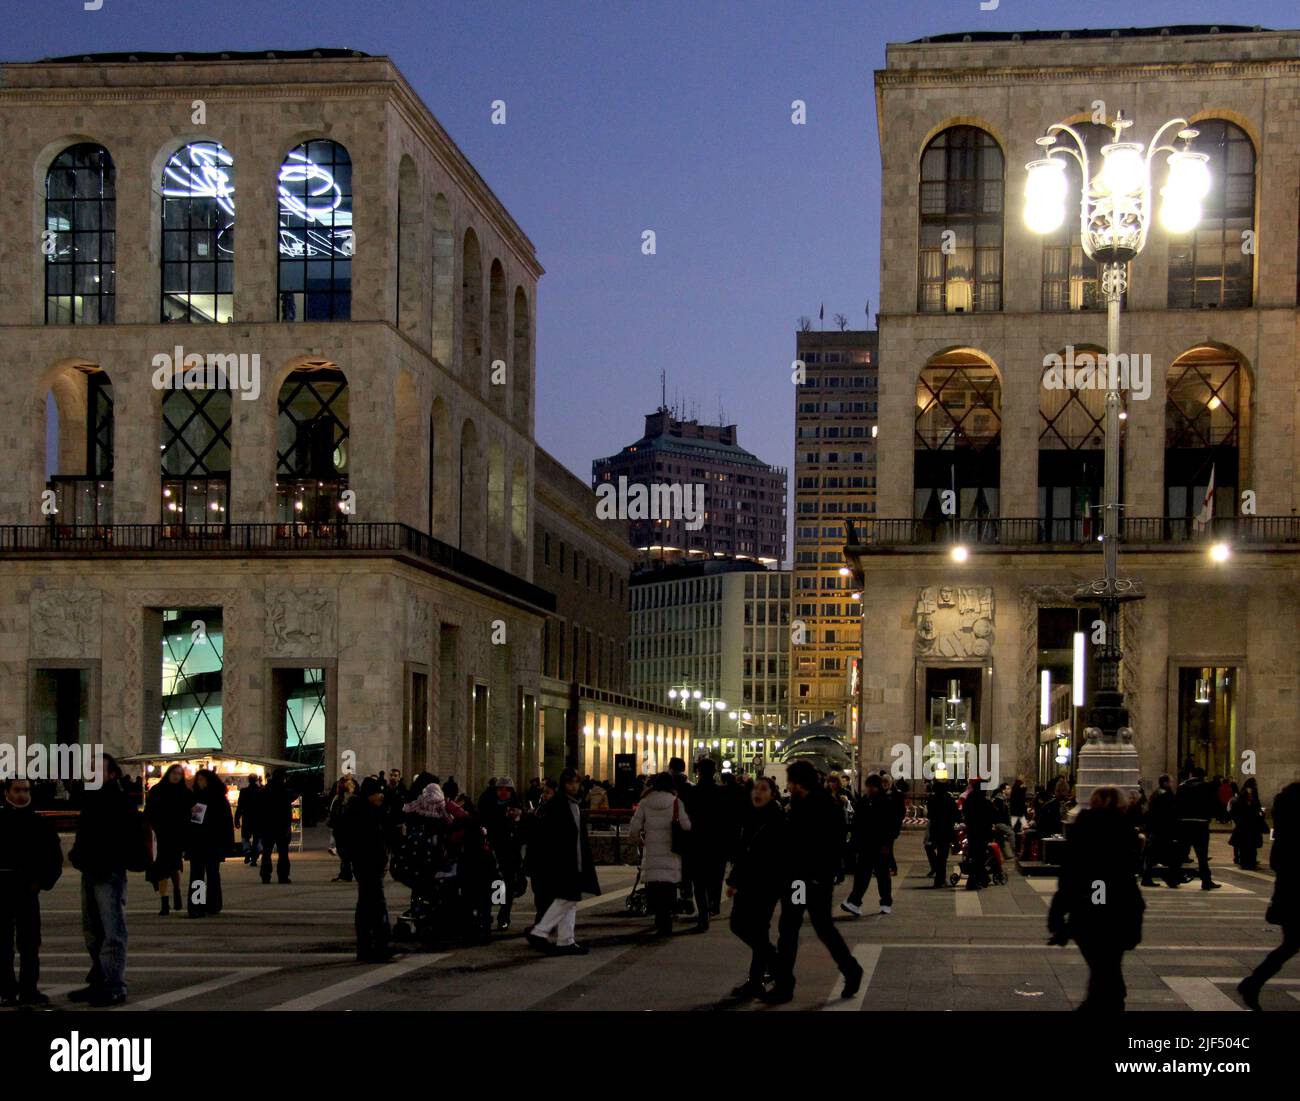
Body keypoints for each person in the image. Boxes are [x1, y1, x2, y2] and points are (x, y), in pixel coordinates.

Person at [765, 761, 864, 1004]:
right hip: (799, 878)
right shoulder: (802, 803)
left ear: (799, 783)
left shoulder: (822, 805)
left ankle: (850, 969)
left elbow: (834, 842)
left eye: (790, 781)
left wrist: (823, 872)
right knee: (791, 928)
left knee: (817, 927)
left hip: (811, 879)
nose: (788, 786)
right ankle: (786, 984)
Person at [1048, 785, 1145, 1011]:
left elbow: (1070, 874)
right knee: (1108, 978)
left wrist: (1058, 914)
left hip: (1088, 913)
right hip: (1117, 912)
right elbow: (1130, 872)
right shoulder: (1125, 830)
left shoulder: (1083, 828)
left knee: (1104, 976)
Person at [67, 754, 138, 1007]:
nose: (91, 772)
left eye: (97, 768)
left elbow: (125, 836)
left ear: (111, 774)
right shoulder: (91, 798)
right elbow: (85, 833)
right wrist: (77, 855)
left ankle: (115, 984)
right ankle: (99, 978)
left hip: (109, 872)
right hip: (90, 870)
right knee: (92, 932)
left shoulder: (117, 800)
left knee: (112, 931)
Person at [0, 778, 63, 1007]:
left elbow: (53, 858)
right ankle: (6, 990)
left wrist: (41, 882)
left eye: (25, 790)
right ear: (7, 792)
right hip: (3, 889)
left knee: (29, 943)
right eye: (17, 790)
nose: (22, 795)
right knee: (3, 944)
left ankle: (28, 989)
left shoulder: (39, 823)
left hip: (27, 890)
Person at [1238, 783, 1300, 1010]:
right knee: (1290, 945)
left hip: (1287, 895)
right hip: (1294, 897)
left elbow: (1277, 864)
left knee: (1290, 945)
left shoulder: (1284, 833)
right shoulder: (1294, 835)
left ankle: (1253, 983)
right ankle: (1252, 983)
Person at [726, 776, 788, 999]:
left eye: (763, 789)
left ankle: (775, 966)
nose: (757, 793)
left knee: (745, 927)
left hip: (765, 885)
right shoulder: (753, 815)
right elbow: (744, 852)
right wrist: (734, 880)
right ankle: (757, 980)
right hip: (750, 883)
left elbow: (772, 855)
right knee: (752, 930)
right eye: (755, 789)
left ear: (772, 793)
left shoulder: (776, 818)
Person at [526, 769, 600, 955]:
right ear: (563, 784)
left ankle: (565, 939)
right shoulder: (559, 805)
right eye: (570, 782)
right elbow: (551, 836)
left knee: (569, 899)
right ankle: (541, 931)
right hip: (563, 861)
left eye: (576, 782)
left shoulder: (570, 804)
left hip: (570, 860)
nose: (574, 786)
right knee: (567, 898)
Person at [629, 772, 692, 935]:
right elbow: (686, 826)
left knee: (655, 886)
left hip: (652, 851)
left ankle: (658, 917)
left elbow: (634, 828)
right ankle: (667, 921)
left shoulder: (645, 802)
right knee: (669, 887)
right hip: (671, 851)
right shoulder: (676, 803)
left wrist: (640, 841)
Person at [346, 777, 393, 962]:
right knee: (375, 905)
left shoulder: (369, 811)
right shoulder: (365, 814)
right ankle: (378, 947)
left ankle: (367, 947)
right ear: (368, 795)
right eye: (377, 793)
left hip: (367, 865)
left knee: (367, 905)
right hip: (368, 865)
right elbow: (368, 842)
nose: (380, 796)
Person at [683, 758, 728, 930]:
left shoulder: (691, 793)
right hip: (717, 842)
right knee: (715, 878)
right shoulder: (722, 793)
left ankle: (703, 914)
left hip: (697, 841)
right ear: (715, 772)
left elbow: (686, 817)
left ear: (698, 772)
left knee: (699, 881)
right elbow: (727, 820)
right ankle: (712, 906)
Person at [841, 773, 893, 916]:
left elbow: (890, 825)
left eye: (869, 787)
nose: (867, 790)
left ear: (875, 787)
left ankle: (885, 902)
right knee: (862, 874)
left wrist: (886, 843)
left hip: (880, 844)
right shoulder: (866, 801)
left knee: (882, 875)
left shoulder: (885, 801)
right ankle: (854, 901)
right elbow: (858, 822)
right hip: (866, 844)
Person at [477, 777, 524, 930]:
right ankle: (486, 915)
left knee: (507, 885)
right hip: (490, 850)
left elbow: (522, 833)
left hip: (509, 853)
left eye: (507, 789)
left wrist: (517, 819)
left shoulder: (515, 807)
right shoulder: (488, 805)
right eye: (500, 789)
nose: (503, 792)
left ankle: (504, 916)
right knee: (490, 884)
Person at [185, 769, 232, 917]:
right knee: (199, 875)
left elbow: (225, 823)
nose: (200, 783)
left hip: (210, 842)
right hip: (200, 842)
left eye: (202, 780)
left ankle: (209, 905)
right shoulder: (200, 798)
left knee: (210, 875)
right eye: (198, 780)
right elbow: (194, 822)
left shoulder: (214, 799)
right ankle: (200, 905)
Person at [145, 764, 189, 915]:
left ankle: (176, 890)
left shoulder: (185, 793)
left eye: (179, 774)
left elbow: (193, 811)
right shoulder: (157, 791)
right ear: (169, 774)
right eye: (174, 773)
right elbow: (148, 812)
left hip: (176, 837)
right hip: (160, 836)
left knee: (174, 867)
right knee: (162, 870)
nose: (176, 776)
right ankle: (164, 902)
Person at [1173, 766, 1221, 890]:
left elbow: (1176, 806)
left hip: (1185, 824)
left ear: (1191, 774)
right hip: (1201, 824)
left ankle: (1173, 877)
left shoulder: (1181, 787)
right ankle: (1206, 881)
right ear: (1202, 776)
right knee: (1202, 855)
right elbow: (1214, 804)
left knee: (1181, 853)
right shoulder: (1207, 787)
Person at [1141, 775, 1180, 887]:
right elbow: (1170, 813)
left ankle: (1147, 878)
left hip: (1155, 828)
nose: (1172, 783)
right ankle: (1171, 878)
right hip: (1164, 829)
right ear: (1165, 782)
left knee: (1152, 855)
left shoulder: (1155, 793)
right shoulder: (1166, 794)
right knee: (1173, 854)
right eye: (1171, 781)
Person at [258, 768, 294, 885]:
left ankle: (265, 875)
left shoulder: (265, 790)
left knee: (267, 852)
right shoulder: (285, 791)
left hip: (267, 825)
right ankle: (283, 876)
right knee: (283, 853)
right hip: (282, 826)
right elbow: (294, 796)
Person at [962, 782, 995, 890]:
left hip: (972, 831)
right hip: (982, 832)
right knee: (979, 857)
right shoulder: (984, 802)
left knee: (975, 855)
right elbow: (991, 815)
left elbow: (965, 814)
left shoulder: (969, 800)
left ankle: (983, 878)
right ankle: (972, 882)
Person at [925, 779, 957, 888]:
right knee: (943, 856)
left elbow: (929, 815)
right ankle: (940, 879)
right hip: (946, 831)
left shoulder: (932, 799)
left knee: (939, 855)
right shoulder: (949, 800)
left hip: (935, 830)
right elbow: (955, 815)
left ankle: (939, 878)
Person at [1230, 783, 1268, 872]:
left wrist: (1261, 814)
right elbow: (1233, 814)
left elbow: (1259, 813)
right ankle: (1244, 863)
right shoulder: (1239, 804)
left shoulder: (1254, 803)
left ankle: (1252, 863)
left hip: (1253, 829)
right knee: (1244, 848)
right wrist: (1239, 822)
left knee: (1252, 848)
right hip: (1243, 828)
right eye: (1249, 795)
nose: (1251, 796)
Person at [328, 775, 358, 882]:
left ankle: (347, 873)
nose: (353, 786)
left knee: (347, 853)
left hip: (346, 829)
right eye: (351, 785)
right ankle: (345, 873)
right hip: (342, 829)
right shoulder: (340, 799)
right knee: (344, 853)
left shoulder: (353, 799)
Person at [235, 774, 262, 865]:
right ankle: (254, 858)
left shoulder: (243, 791)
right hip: (258, 819)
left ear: (248, 780)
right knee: (257, 839)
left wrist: (237, 818)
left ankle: (247, 851)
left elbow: (240, 806)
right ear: (257, 780)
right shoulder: (260, 791)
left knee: (245, 837)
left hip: (247, 818)